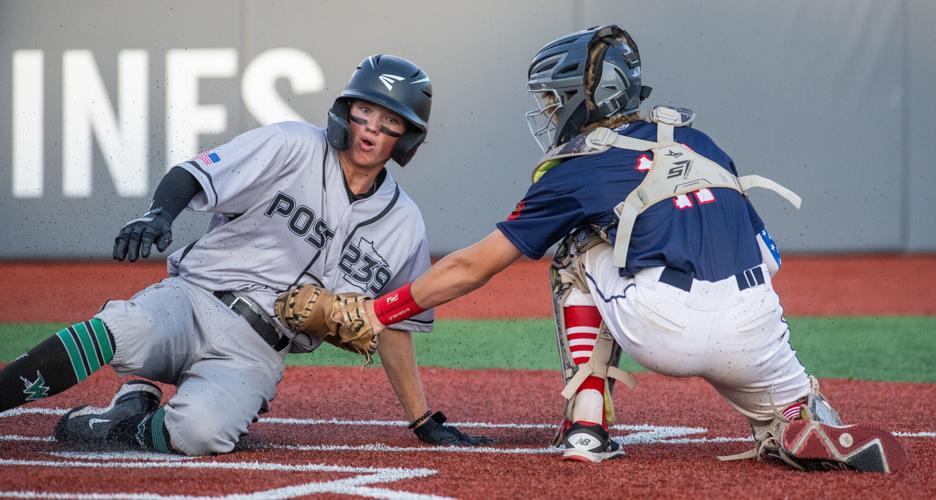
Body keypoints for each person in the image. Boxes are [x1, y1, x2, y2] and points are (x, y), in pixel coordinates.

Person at [346, 26, 907, 472]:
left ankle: (587, 426)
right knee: (790, 408)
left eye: (555, 98)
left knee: (575, 250)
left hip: (665, 326)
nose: (549, 111)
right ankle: (797, 415)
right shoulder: (699, 140)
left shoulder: (576, 167)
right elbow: (766, 251)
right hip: (757, 322)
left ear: (588, 98)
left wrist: (377, 310)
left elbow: (473, 267)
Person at [0, 54, 489, 455]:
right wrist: (159, 215)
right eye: (365, 111)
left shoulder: (404, 224)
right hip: (192, 299)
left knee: (201, 434)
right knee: (119, 329)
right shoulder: (291, 144)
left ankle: (125, 420)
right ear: (346, 111)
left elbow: (393, 325)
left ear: (406, 138)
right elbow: (195, 172)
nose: (370, 129)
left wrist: (423, 420)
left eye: (388, 121)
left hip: (257, 349)